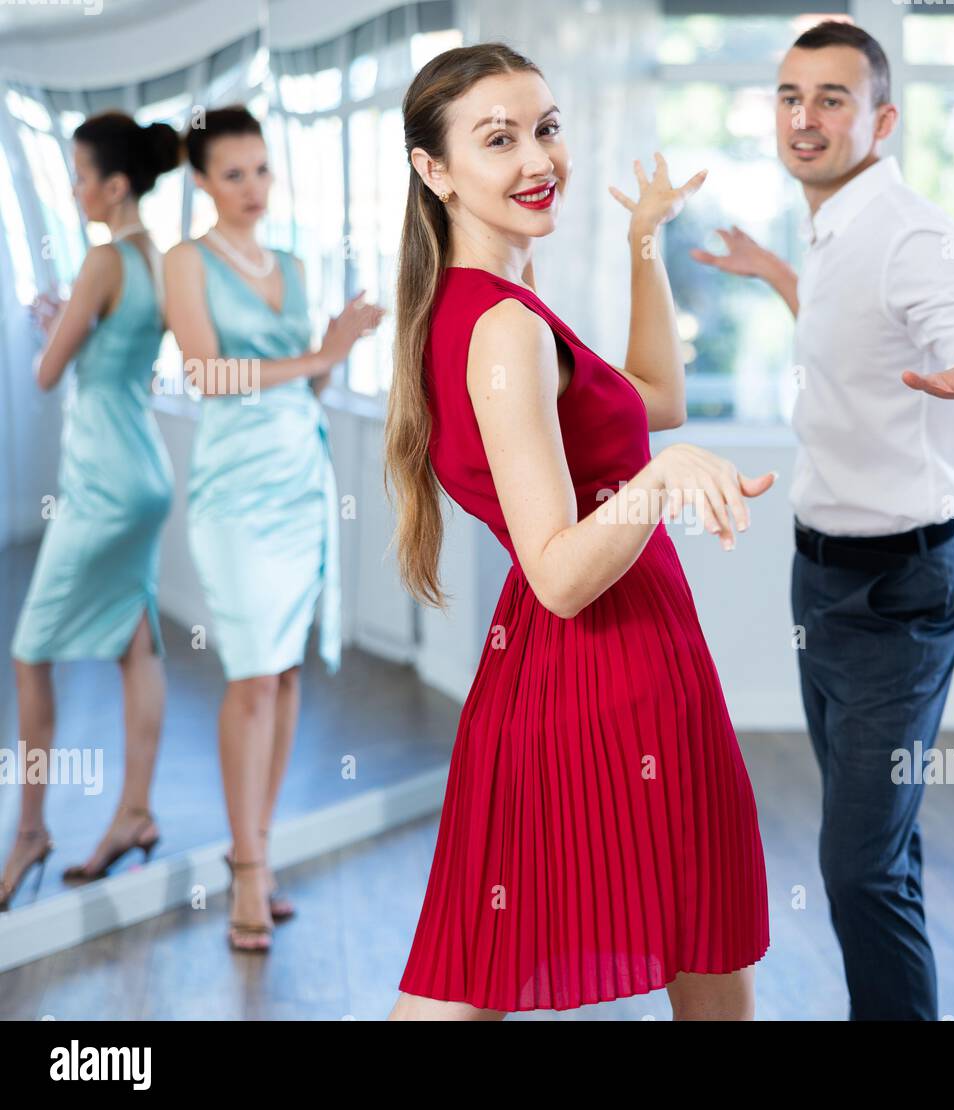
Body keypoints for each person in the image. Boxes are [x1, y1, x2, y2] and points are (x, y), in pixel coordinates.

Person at [385, 43, 774, 1020]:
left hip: (572, 667)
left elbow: (656, 399)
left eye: (547, 128)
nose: (537, 159)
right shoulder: (502, 328)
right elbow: (560, 574)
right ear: (434, 170)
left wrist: (644, 242)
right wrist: (655, 485)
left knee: (475, 963)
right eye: (499, 139)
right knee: (692, 930)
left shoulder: (488, 311)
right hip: (604, 664)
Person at [693, 20, 954, 1020]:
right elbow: (846, 323)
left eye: (832, 98)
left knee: (856, 866)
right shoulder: (834, 232)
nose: (803, 117)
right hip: (821, 582)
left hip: (898, 592)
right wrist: (774, 273)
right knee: (881, 850)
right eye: (790, 96)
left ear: (882, 121)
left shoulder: (914, 238)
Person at [163, 106, 383, 951]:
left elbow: (308, 388)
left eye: (261, 169)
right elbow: (206, 374)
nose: (253, 187)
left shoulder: (291, 263)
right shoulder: (187, 261)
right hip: (235, 494)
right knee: (252, 676)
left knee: (285, 674)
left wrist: (333, 353)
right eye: (233, 174)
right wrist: (320, 356)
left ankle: (256, 846)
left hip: (301, 483)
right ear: (201, 182)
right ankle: (248, 867)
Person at [2, 113, 179, 911]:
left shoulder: (105, 258)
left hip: (103, 484)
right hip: (146, 472)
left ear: (115, 185)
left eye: (80, 177)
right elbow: (118, 353)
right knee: (137, 646)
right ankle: (134, 812)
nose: (75, 190)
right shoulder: (156, 257)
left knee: (29, 652)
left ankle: (29, 831)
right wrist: (68, 327)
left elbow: (49, 374)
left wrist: (56, 328)